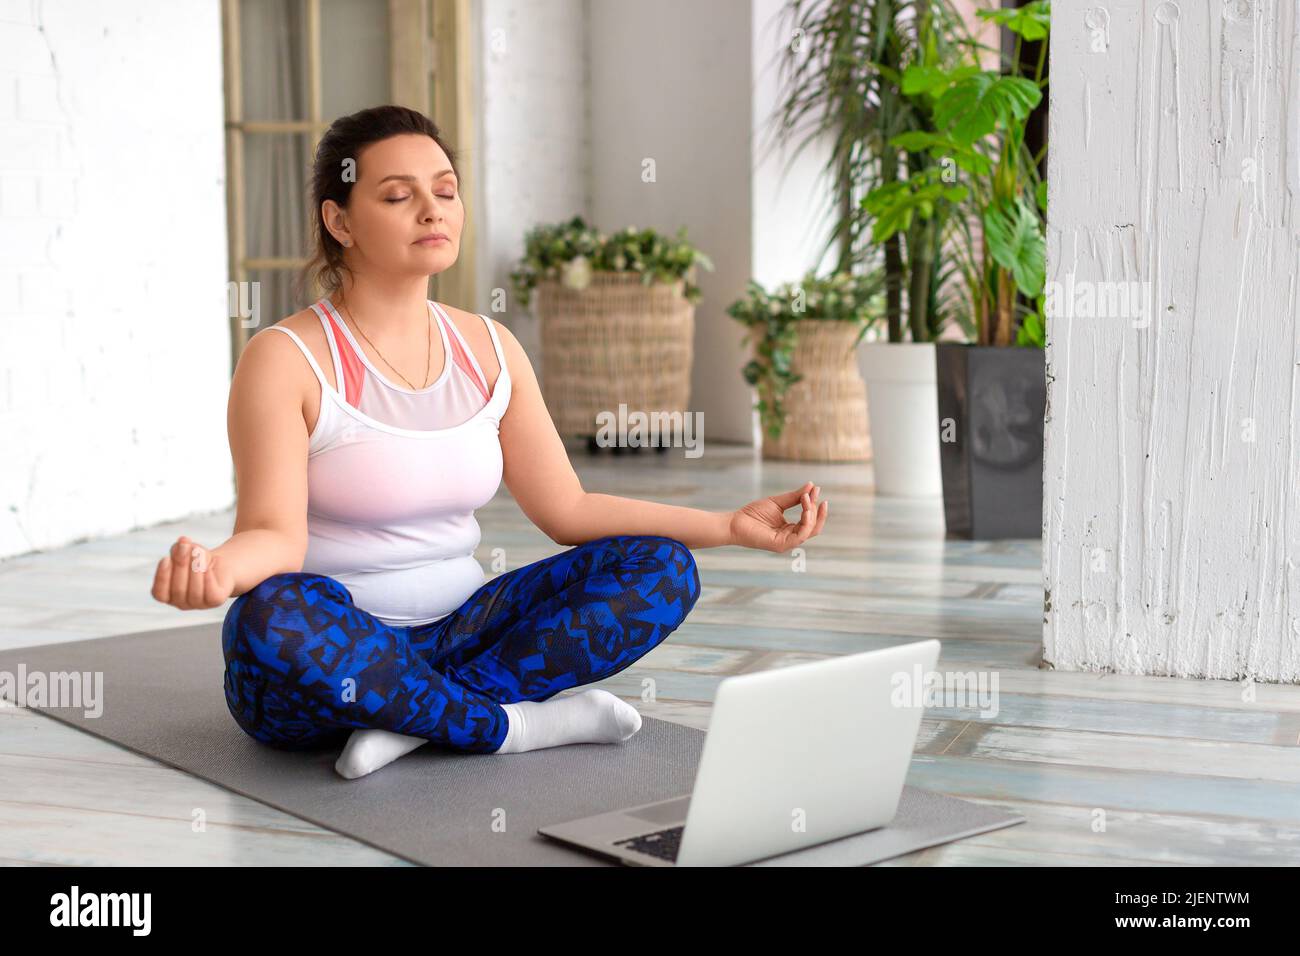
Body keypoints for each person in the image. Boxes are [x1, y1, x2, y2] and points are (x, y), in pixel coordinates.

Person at [150, 105, 829, 780]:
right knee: (268, 616)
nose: (432, 210)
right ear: (340, 221)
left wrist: (725, 525)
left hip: (467, 632)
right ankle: (507, 724)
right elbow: (274, 537)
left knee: (662, 570)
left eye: (445, 191)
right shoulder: (286, 357)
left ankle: (415, 718)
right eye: (397, 195)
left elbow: (568, 508)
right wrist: (216, 571)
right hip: (336, 660)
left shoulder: (488, 347)